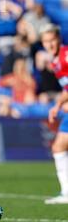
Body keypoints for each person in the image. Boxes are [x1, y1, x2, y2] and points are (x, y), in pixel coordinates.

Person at [39, 24, 68, 204]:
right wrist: (58, 105)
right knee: (58, 147)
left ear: (59, 40)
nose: (50, 44)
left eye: (52, 40)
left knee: (59, 146)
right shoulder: (55, 61)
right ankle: (66, 192)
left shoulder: (65, 55)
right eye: (46, 41)